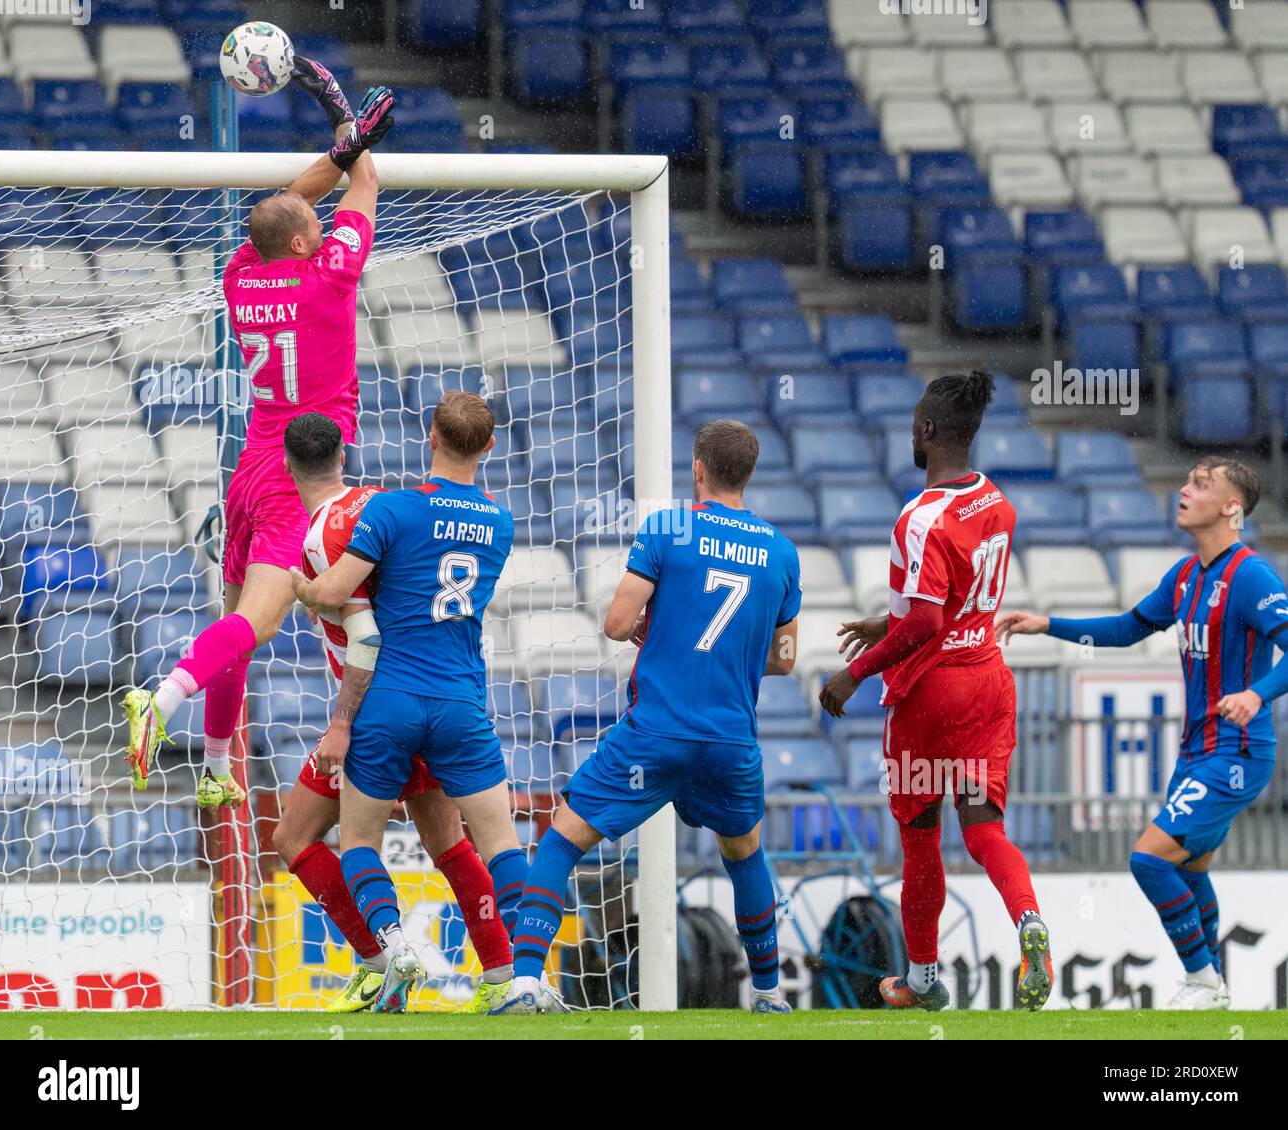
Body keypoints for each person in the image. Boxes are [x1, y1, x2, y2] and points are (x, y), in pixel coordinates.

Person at [122, 58, 395, 811]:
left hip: (250, 467)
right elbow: (363, 190)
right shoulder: (330, 278)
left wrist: (345, 145)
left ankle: (216, 765)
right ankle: (163, 699)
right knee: (259, 622)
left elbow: (289, 206)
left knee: (234, 622)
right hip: (295, 480)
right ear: (311, 244)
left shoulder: (243, 274)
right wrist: (341, 111)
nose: (324, 217)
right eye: (318, 223)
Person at [494, 419, 802, 1016]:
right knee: (745, 855)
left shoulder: (669, 526)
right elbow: (785, 661)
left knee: (562, 838)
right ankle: (768, 994)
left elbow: (614, 624)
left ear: (698, 468)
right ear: (750, 473)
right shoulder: (781, 551)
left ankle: (526, 984)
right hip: (730, 740)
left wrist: (660, 636)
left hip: (657, 731)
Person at [997, 456, 1287, 1010]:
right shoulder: (1184, 576)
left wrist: (1256, 694)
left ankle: (1203, 979)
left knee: (1149, 860)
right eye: (1185, 480)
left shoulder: (1250, 576)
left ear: (1232, 508)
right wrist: (1048, 623)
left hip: (1238, 752)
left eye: (1200, 485)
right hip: (1197, 750)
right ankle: (1214, 988)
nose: (1183, 490)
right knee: (1190, 866)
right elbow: (1129, 628)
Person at [819, 371, 1051, 1012]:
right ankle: (1030, 922)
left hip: (931, 694)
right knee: (983, 830)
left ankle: (921, 980)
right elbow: (948, 604)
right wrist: (883, 622)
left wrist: (855, 672)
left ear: (925, 431)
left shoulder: (921, 517)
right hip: (986, 683)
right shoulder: (995, 501)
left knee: (922, 837)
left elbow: (924, 623)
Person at [289, 391, 526, 1014]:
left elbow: (333, 594)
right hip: (459, 701)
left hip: (385, 702)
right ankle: (516, 974)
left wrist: (293, 582)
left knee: (351, 842)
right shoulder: (501, 523)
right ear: (491, 447)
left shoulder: (392, 509)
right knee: (487, 845)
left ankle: (390, 953)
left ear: (430, 438)